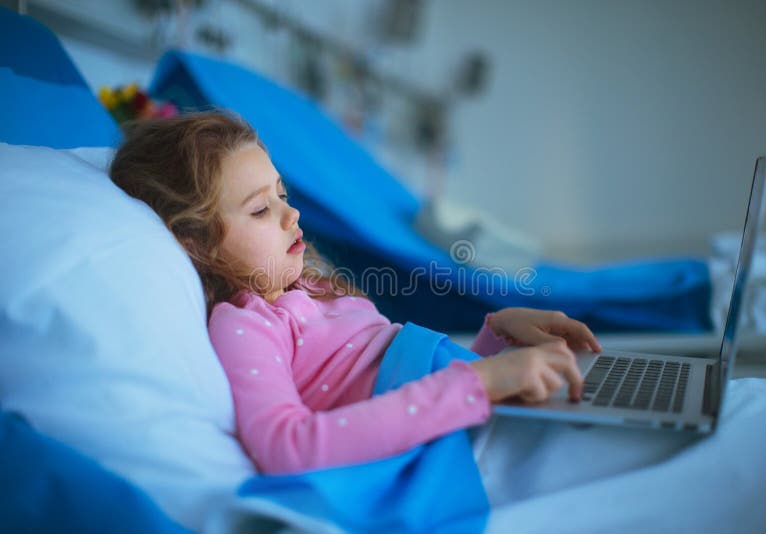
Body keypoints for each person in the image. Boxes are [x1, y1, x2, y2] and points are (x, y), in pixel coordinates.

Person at [110, 111, 602, 475]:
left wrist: (497, 340)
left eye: (282, 194)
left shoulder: (314, 290)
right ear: (194, 242)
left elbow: (400, 382)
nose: (290, 214)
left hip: (471, 418)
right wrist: (481, 383)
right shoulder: (249, 323)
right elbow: (288, 447)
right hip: (453, 450)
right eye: (260, 210)